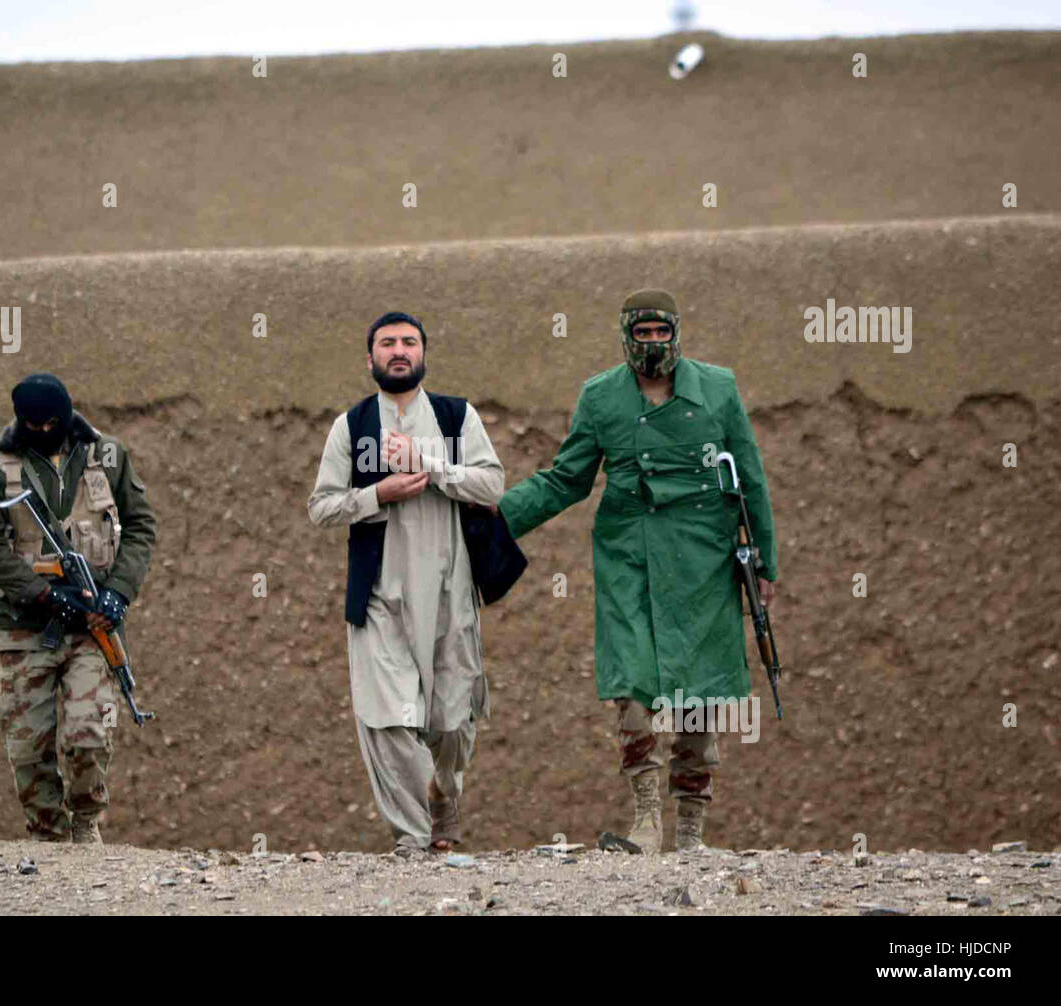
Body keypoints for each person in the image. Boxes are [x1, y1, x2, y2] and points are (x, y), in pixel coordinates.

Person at [498, 290, 778, 853]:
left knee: (701, 690)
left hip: (703, 558)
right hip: (628, 554)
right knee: (631, 680)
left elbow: (749, 476)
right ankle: (646, 820)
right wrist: (498, 517)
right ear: (626, 336)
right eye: (642, 334)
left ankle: (692, 832)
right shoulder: (601, 397)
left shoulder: (718, 389)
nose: (653, 344)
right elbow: (567, 479)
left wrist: (764, 560)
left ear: (676, 334)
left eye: (662, 334)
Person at [308, 312, 505, 856]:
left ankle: (443, 797)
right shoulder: (351, 426)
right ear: (369, 358)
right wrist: (377, 495)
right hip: (380, 598)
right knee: (389, 717)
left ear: (424, 354)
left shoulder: (455, 417)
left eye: (409, 343)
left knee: (450, 720)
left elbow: (492, 482)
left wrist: (429, 463)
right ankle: (416, 835)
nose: (399, 351)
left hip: (449, 591)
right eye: (388, 343)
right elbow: (321, 507)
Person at [0, 373, 157, 844]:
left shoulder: (107, 455)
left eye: (55, 421)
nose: (45, 429)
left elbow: (141, 527)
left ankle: (86, 826)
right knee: (28, 745)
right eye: (35, 423)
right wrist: (45, 594)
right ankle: (47, 837)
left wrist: (118, 593)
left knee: (88, 734)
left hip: (93, 624)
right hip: (26, 626)